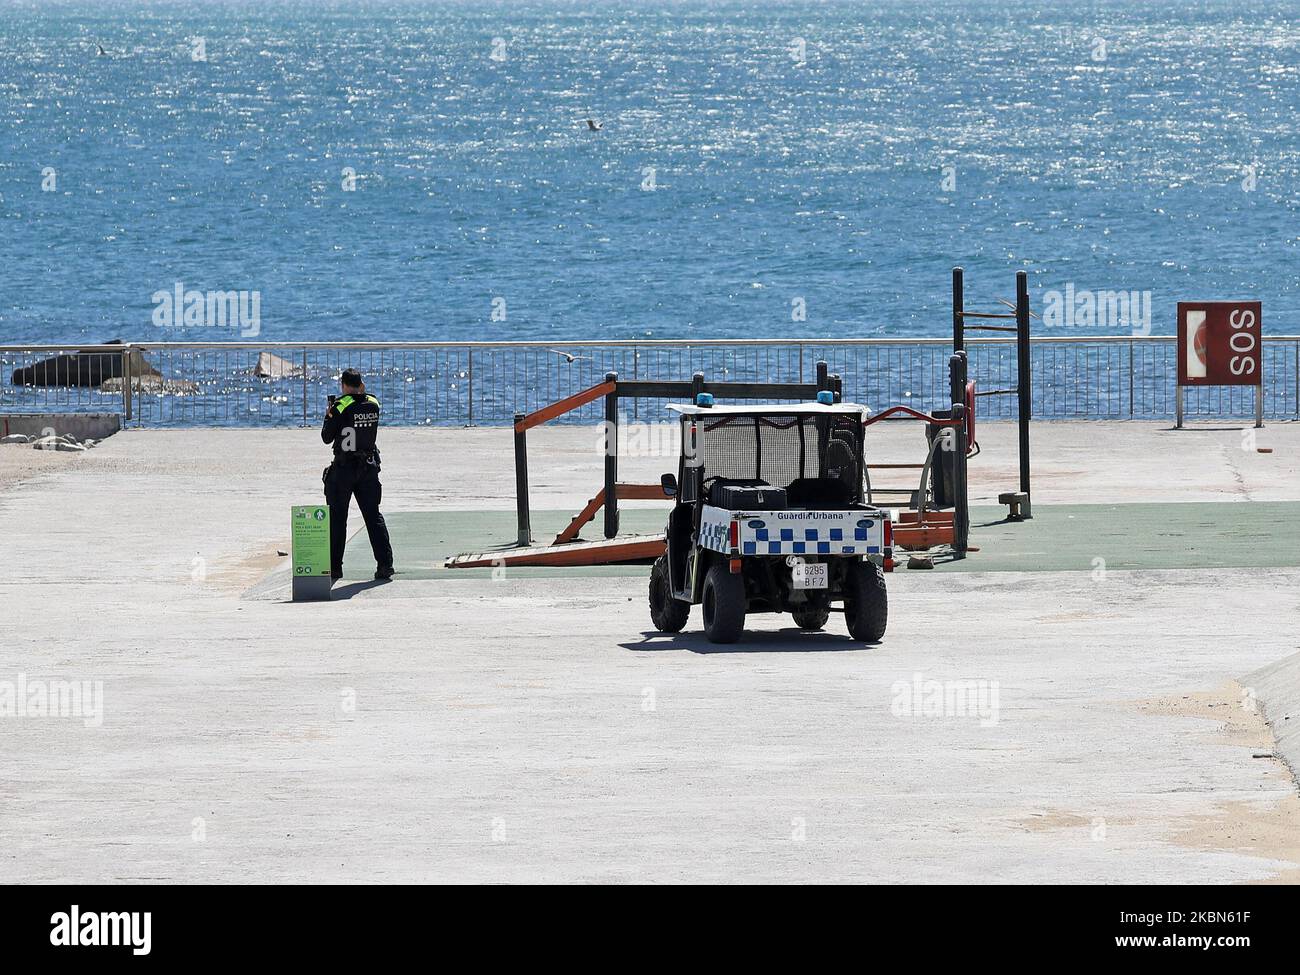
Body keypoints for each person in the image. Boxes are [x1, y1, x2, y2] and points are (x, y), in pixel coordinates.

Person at [321, 368, 394, 581]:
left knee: (337, 519)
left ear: (343, 385)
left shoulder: (340, 406)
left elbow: (326, 437)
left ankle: (335, 568)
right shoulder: (374, 403)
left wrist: (329, 415)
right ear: (361, 384)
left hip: (344, 469)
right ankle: (385, 565)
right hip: (368, 468)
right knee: (373, 517)